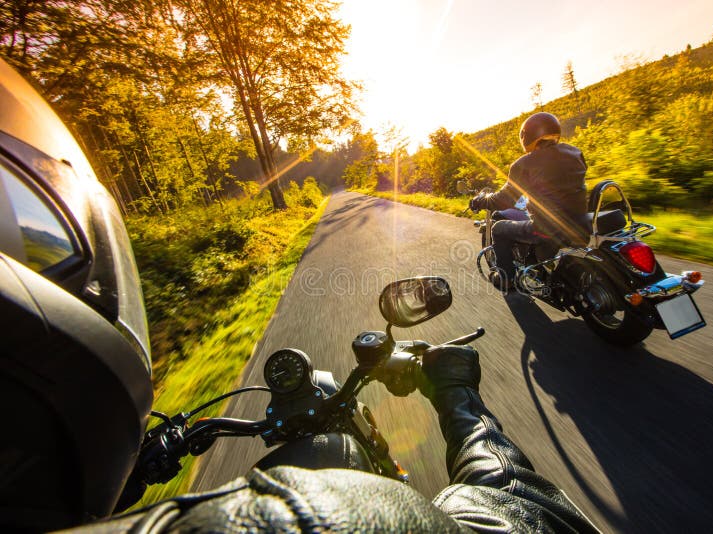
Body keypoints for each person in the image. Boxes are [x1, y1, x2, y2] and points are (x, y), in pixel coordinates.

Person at [0, 59, 599, 532]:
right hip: (576, 232)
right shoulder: (569, 153)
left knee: (500, 224)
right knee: (503, 230)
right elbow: (528, 513)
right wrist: (462, 401)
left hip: (545, 234)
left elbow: (502, 196)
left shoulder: (524, 163)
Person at [470, 113, 588, 290]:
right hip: (580, 221)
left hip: (546, 228)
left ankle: (506, 278)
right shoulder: (574, 152)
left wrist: (481, 201)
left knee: (498, 229)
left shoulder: (524, 163)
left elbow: (504, 200)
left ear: (527, 136)